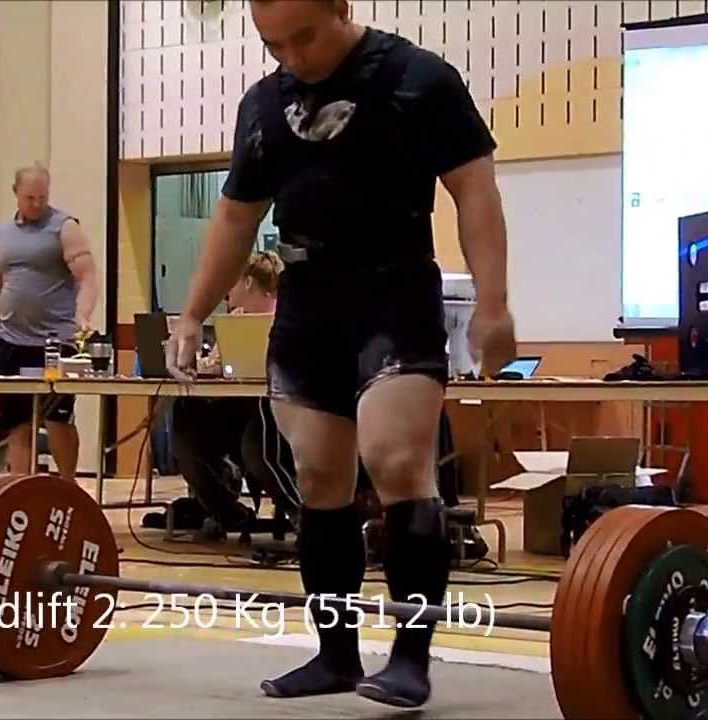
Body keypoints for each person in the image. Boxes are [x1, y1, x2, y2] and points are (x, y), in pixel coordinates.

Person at [165, 1, 516, 708]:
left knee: (395, 459)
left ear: (341, 8)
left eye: (305, 37)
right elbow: (237, 215)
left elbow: (473, 188)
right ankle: (335, 656)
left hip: (395, 291)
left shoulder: (418, 79)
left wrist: (493, 301)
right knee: (320, 476)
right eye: (273, 45)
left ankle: (411, 657)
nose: (292, 57)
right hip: (308, 301)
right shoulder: (263, 106)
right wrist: (193, 312)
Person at [170, 251, 303, 539]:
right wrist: (197, 365)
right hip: (234, 405)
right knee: (185, 417)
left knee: (258, 442)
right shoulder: (235, 322)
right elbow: (218, 364)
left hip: (279, 408)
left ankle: (306, 519)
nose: (226, 291)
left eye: (231, 283)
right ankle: (226, 511)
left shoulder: (287, 316)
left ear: (247, 282)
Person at [0, 163, 99, 482]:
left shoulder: (64, 227)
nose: (36, 204)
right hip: (13, 341)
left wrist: (83, 315)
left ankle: (68, 484)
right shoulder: (2, 235)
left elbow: (87, 276)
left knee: (58, 418)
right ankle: (22, 487)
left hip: (55, 341)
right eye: (30, 197)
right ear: (16, 193)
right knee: (19, 423)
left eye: (42, 197)